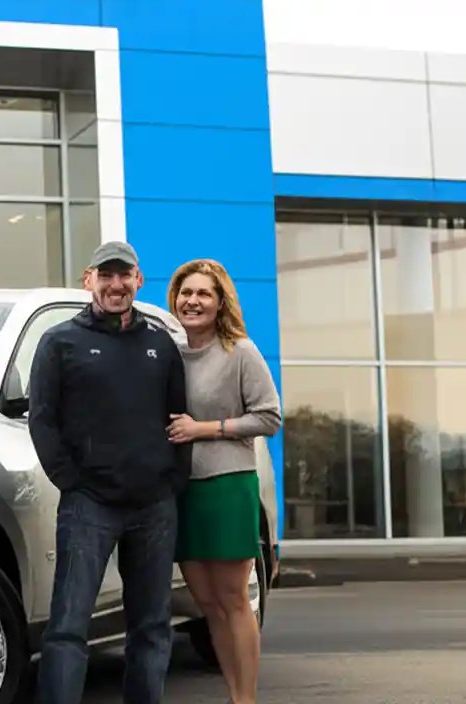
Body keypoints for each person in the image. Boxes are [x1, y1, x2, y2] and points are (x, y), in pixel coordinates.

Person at [27, 240, 192, 704]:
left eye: (125, 275)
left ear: (138, 280)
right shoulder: (60, 342)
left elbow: (178, 416)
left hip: (154, 505)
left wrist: (173, 481)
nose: (116, 285)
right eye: (106, 275)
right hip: (89, 506)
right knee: (67, 627)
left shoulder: (160, 343)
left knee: (152, 626)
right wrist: (71, 481)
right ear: (89, 280)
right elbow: (42, 418)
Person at [164, 258, 282, 704]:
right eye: (185, 292)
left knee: (233, 601)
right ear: (174, 298)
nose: (192, 301)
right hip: (183, 490)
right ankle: (233, 693)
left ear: (220, 302)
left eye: (203, 294)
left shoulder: (240, 351)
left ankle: (244, 699)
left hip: (229, 486)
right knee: (207, 604)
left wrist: (205, 428)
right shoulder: (168, 352)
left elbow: (269, 417)